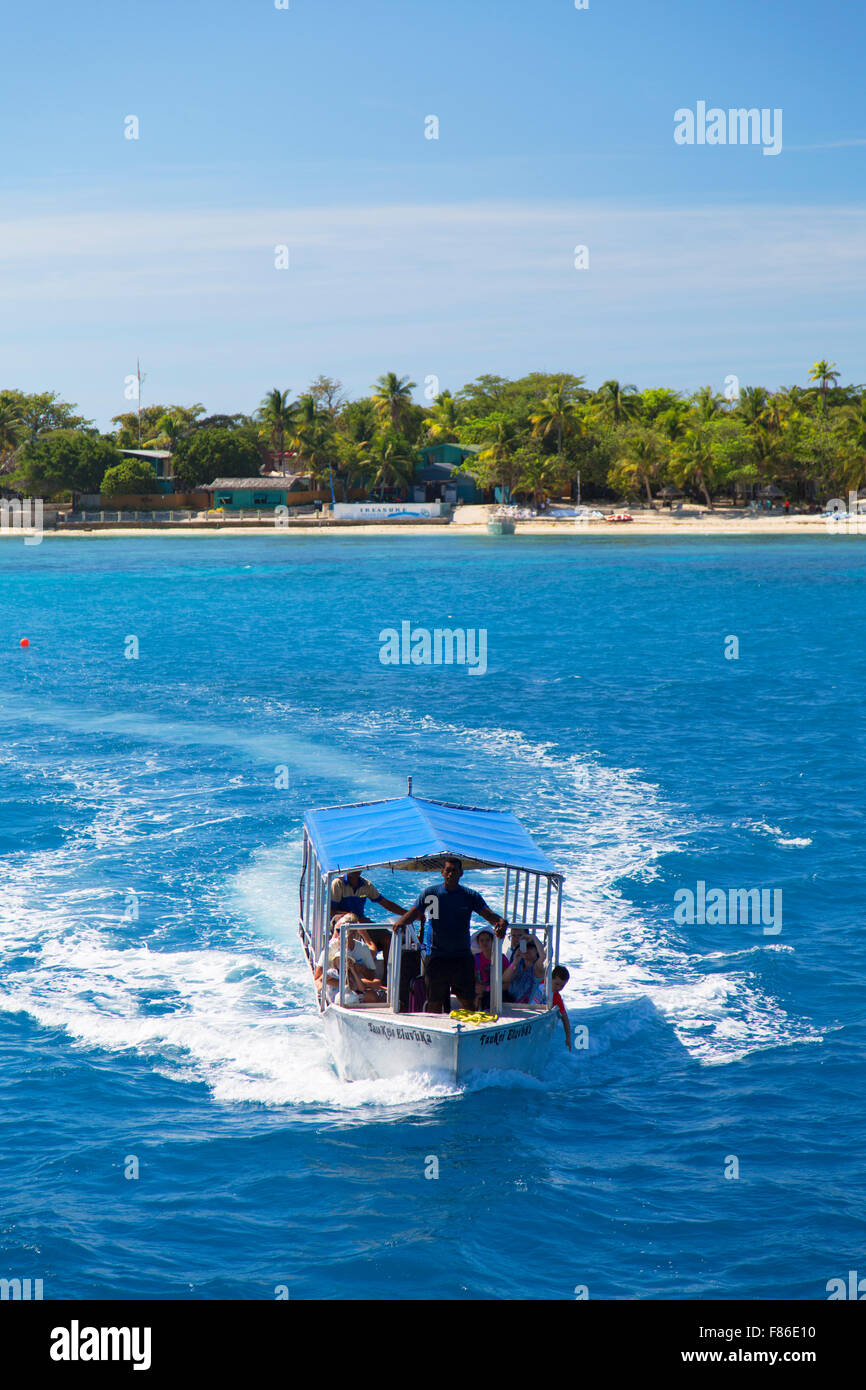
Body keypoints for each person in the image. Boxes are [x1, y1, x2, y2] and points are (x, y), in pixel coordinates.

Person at [390, 857, 508, 1013]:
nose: (450, 874)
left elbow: (489, 915)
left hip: (462, 956)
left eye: (454, 871)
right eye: (448, 870)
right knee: (434, 1002)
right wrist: (400, 923)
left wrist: (501, 922)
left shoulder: (470, 895)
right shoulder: (430, 893)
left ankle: (468, 1029)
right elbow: (413, 913)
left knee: (467, 1001)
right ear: (442, 872)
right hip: (437, 956)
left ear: (461, 873)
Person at [330, 870, 404, 967]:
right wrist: (351, 917)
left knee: (388, 938)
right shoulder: (338, 883)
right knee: (351, 934)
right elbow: (331, 910)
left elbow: (385, 903)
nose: (356, 869)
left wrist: (408, 914)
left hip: (360, 920)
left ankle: (386, 976)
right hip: (341, 920)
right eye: (354, 867)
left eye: (359, 867)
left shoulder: (366, 885)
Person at [472, 928, 509, 1012]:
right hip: (480, 991)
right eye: (482, 940)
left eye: (487, 940)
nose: (485, 943)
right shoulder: (475, 958)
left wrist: (488, 989)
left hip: (498, 992)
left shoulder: (502, 958)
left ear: (493, 941)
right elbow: (474, 978)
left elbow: (507, 983)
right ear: (478, 943)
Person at [505, 935, 545, 1004]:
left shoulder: (537, 967)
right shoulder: (518, 965)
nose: (526, 949)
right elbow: (504, 980)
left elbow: (543, 957)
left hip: (527, 1008)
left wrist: (533, 937)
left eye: (530, 947)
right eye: (524, 947)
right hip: (510, 1005)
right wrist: (514, 962)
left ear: (536, 951)